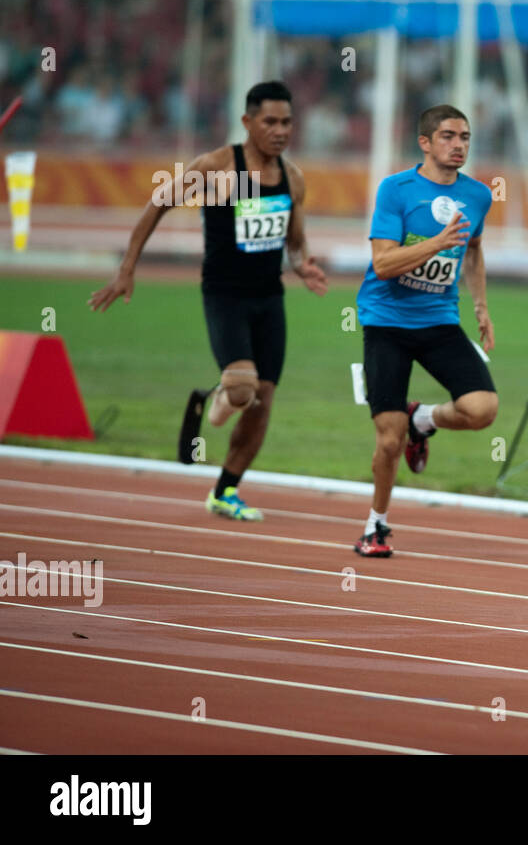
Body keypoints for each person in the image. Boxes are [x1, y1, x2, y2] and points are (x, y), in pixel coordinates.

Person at [89, 80, 327, 521]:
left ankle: (224, 491)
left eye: (287, 122)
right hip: (225, 295)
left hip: (269, 300)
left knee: (262, 403)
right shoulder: (217, 168)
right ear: (247, 122)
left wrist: (301, 265)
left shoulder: (292, 178)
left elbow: (294, 240)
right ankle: (224, 390)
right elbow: (157, 204)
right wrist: (127, 268)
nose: (280, 131)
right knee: (243, 388)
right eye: (270, 121)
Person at [353, 104, 497, 557]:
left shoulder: (477, 195)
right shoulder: (396, 190)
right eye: (449, 136)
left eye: (466, 137)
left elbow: (471, 249)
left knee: (482, 409)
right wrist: (436, 242)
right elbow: (383, 262)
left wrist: (480, 306)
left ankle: (424, 419)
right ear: (426, 142)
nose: (459, 145)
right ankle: (376, 526)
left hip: (438, 321)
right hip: (387, 323)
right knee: (389, 438)